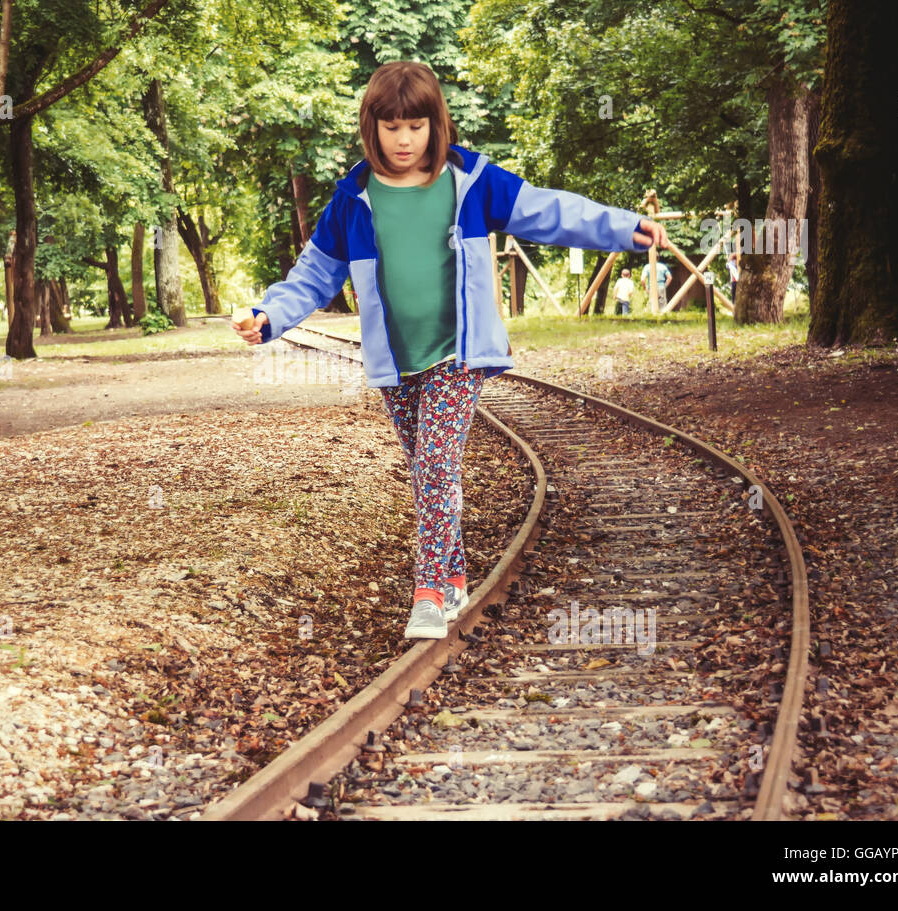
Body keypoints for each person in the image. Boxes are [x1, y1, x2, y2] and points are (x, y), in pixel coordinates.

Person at [230, 61, 668, 640]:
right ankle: (455, 574)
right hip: (395, 363)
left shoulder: (471, 181)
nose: (405, 139)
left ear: (437, 125)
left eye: (416, 126)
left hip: (459, 357)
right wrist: (268, 317)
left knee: (437, 465)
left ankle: (431, 593)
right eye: (391, 127)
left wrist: (619, 227)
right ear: (372, 127)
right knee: (428, 471)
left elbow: (547, 210)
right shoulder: (352, 199)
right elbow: (312, 275)